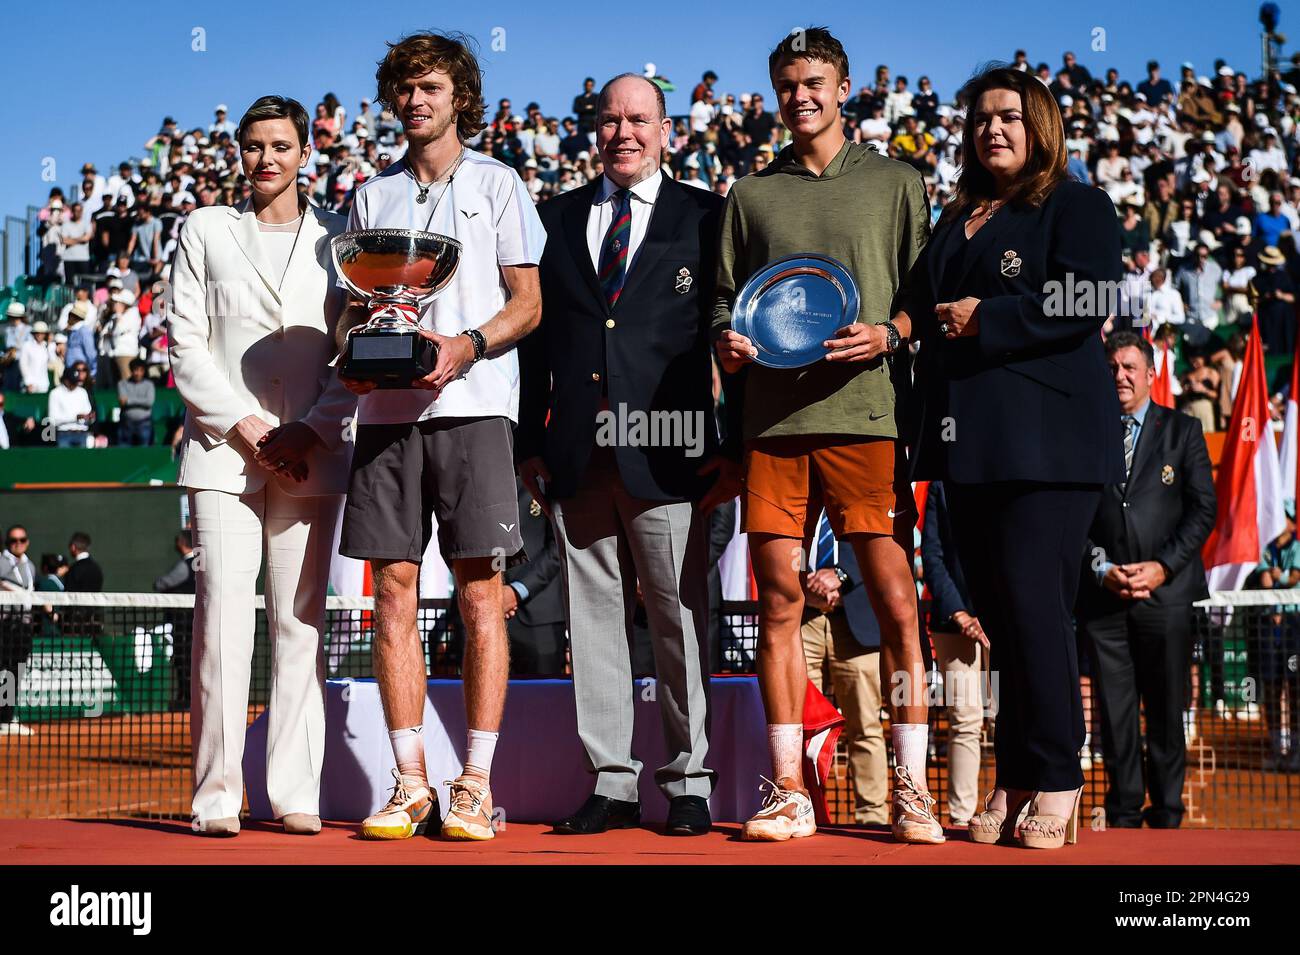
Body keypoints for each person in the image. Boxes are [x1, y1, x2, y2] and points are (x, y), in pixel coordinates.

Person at [714, 27, 940, 845]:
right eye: (786, 85)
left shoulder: (898, 183)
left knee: (895, 602)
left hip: (869, 420)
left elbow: (927, 294)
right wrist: (729, 343)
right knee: (776, 600)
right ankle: (788, 792)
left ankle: (914, 788)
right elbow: (723, 301)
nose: (799, 96)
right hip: (772, 424)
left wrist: (891, 333)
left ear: (844, 87)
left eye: (813, 82)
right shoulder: (749, 194)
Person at [897, 65, 1124, 850]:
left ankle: (1058, 774)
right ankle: (1017, 774)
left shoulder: (1077, 204)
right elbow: (918, 305)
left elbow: (1088, 299)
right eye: (982, 117)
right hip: (972, 451)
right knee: (1004, 621)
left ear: (1041, 128)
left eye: (1011, 116)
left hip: (1049, 448)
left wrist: (985, 317)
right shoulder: (955, 214)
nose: (993, 128)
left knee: (1035, 615)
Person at [336, 32, 545, 843]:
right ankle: (410, 780)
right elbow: (353, 307)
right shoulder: (367, 197)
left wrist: (466, 347)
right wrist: (355, 356)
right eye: (403, 90)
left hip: (476, 409)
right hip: (386, 419)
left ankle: (475, 781)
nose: (415, 101)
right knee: (392, 591)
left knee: (479, 595)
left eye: (429, 88)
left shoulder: (498, 183)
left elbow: (527, 304)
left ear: (460, 94)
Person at [519, 72, 734, 838]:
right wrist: (528, 442)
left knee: (678, 621)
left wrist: (731, 445)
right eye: (610, 120)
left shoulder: (709, 217)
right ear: (593, 130)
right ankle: (610, 781)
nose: (623, 133)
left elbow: (730, 340)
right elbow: (535, 347)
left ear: (667, 129)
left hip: (671, 456)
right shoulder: (553, 219)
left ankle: (688, 780)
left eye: (638, 119)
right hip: (579, 456)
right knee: (596, 622)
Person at [169, 95, 355, 838]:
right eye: (253, 146)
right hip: (221, 455)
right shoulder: (205, 228)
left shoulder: (340, 241)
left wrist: (310, 429)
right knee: (220, 623)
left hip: (310, 456)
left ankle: (293, 792)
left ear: (306, 151)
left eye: (281, 145)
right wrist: (249, 427)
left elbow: (355, 351)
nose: (266, 158)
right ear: (239, 151)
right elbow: (185, 345)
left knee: (300, 622)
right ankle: (216, 798)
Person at [1077, 333, 1216, 828]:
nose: (1120, 375)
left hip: (1168, 597)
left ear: (1151, 373)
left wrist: (1162, 567)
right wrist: (1101, 568)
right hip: (1105, 601)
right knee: (1114, 718)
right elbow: (1073, 519)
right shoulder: (1086, 433)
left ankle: (1169, 812)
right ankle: (1122, 812)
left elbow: (1203, 510)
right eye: (1112, 366)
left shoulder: (1184, 430)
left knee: (1165, 710)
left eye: (1130, 367)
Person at [800, 509, 889, 826]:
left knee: (865, 724)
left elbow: (878, 531)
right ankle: (803, 807)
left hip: (856, 618)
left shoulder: (853, 477)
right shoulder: (797, 480)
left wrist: (841, 573)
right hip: (801, 616)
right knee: (799, 725)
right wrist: (804, 581)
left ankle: (873, 816)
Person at [920, 481, 989, 828]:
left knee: (1017, 717)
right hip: (953, 623)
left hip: (1008, 619)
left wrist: (997, 614)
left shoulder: (1012, 472)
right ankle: (962, 817)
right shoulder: (941, 486)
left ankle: (1019, 810)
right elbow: (932, 554)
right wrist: (959, 613)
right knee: (965, 719)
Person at [0, 524, 35, 736]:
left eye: (22, 540)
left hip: (24, 625)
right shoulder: (1, 562)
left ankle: (6, 717)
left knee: (15, 671)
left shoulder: (29, 566)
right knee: (3, 670)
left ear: (27, 542)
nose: (18, 544)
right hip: (4, 624)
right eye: (14, 540)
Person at [47, 367, 94, 448]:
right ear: (65, 380)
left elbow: (87, 414)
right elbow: (52, 420)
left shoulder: (82, 392)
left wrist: (90, 418)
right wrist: (75, 417)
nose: (75, 385)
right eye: (72, 382)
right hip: (64, 434)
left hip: (82, 433)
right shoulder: (55, 393)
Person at [116, 359, 155, 446]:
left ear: (144, 371)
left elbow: (149, 402)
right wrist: (141, 400)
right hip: (126, 423)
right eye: (135, 370)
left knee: (144, 452)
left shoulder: (149, 385)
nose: (137, 373)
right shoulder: (122, 384)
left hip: (144, 423)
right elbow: (122, 402)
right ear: (131, 370)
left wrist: (129, 400)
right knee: (123, 451)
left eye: (140, 370)